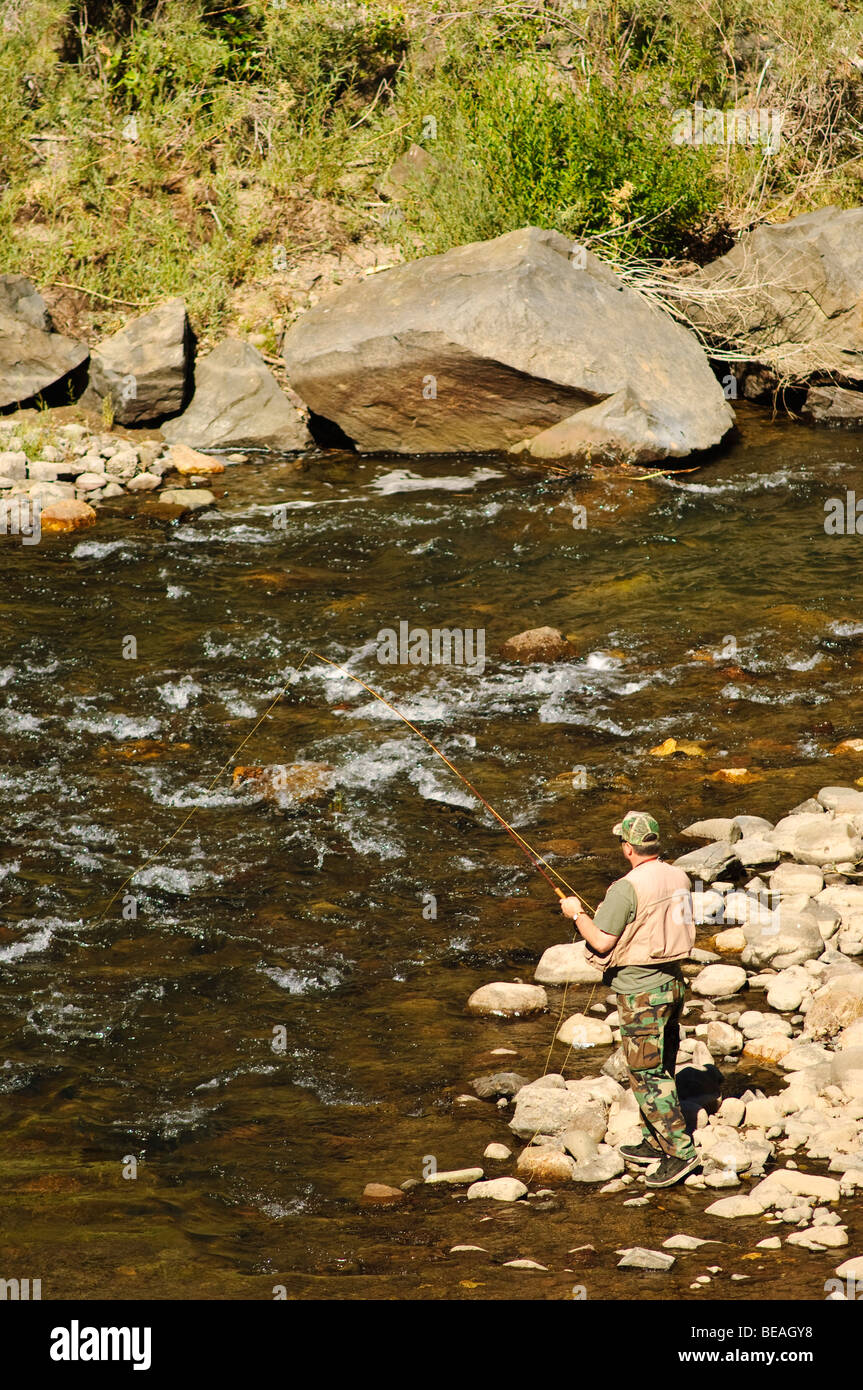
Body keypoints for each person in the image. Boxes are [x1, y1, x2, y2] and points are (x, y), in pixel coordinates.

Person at [559, 811, 698, 1188]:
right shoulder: (680, 876)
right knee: (663, 1063)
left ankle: (679, 1152)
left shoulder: (626, 887)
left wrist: (576, 914)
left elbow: (602, 940)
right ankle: (654, 1140)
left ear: (628, 847)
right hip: (673, 984)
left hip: (641, 994)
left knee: (647, 1073)